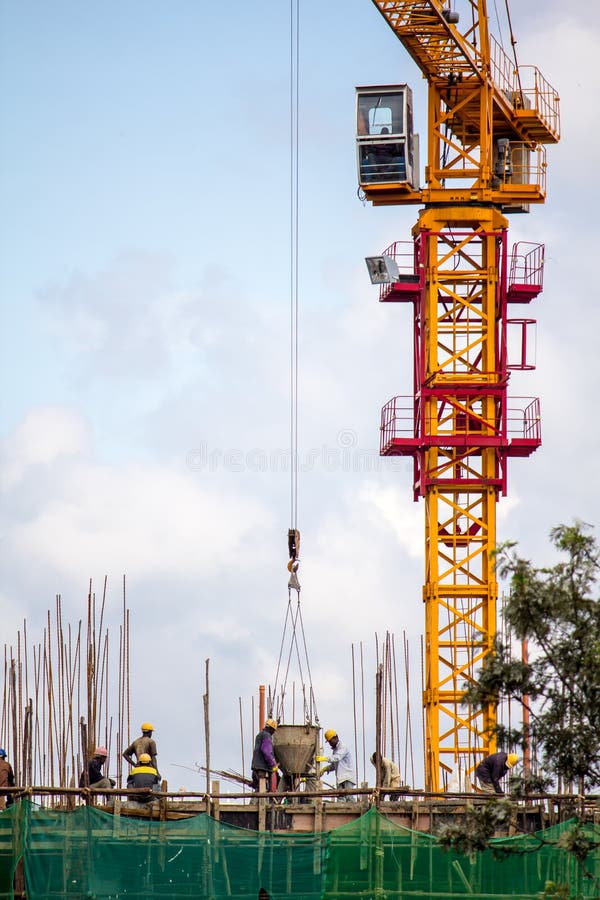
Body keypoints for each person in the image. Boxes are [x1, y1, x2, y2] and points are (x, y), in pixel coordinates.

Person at [318, 729, 356, 800]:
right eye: (328, 742)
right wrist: (326, 769)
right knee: (341, 798)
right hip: (340, 778)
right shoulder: (335, 750)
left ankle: (354, 810)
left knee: (349, 797)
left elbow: (336, 758)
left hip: (347, 777)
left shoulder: (342, 747)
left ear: (335, 738)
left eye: (330, 741)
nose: (330, 743)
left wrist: (324, 759)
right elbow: (334, 764)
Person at [251, 718, 279, 791]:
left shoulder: (259, 735)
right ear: (271, 729)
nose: (273, 733)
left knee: (259, 788)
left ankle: (253, 802)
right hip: (262, 768)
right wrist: (273, 764)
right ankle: (254, 803)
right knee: (262, 789)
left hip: (256, 766)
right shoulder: (267, 736)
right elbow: (267, 751)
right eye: (273, 731)